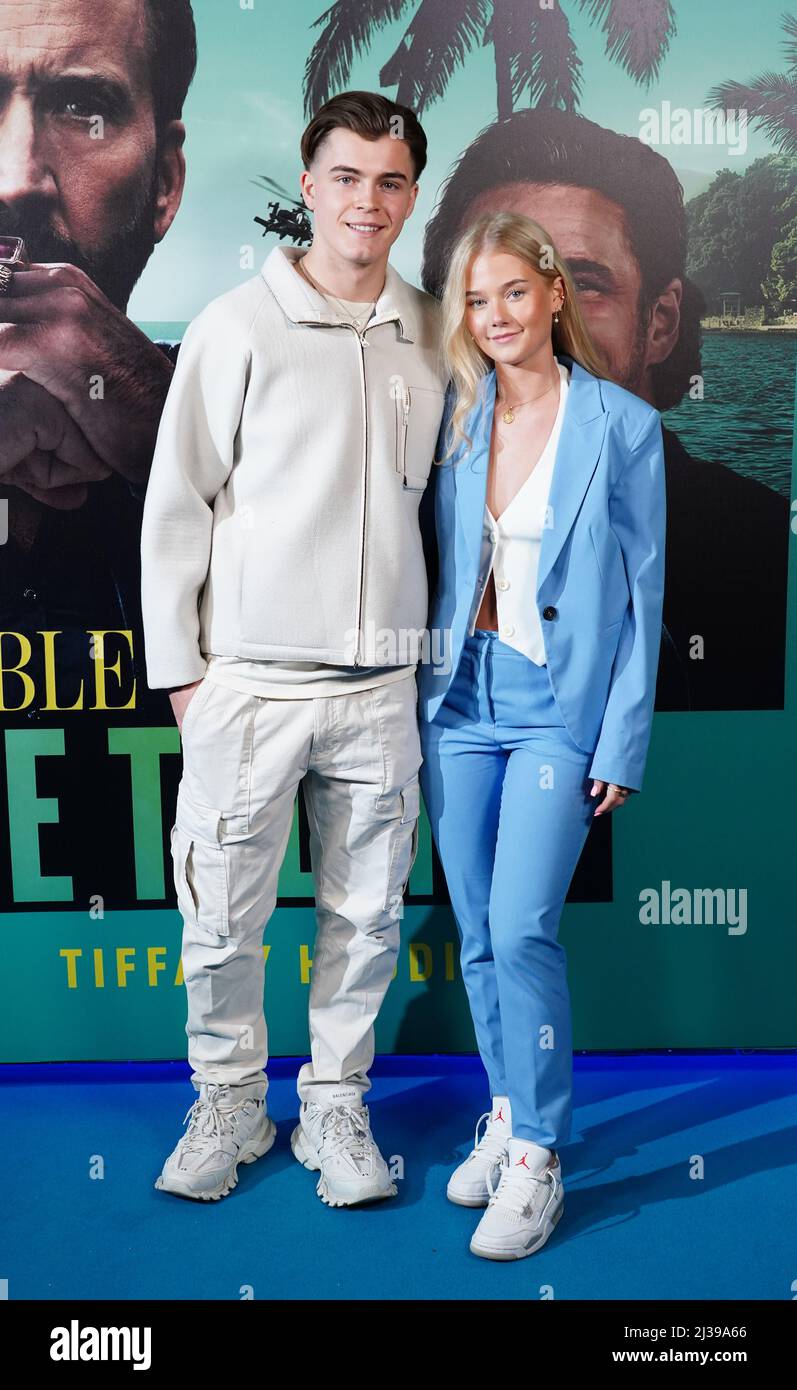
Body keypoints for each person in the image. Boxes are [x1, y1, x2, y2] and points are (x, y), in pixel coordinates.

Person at [140, 91, 448, 1206]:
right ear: (307, 185)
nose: (368, 201)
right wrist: (187, 680)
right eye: (347, 176)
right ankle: (227, 1102)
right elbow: (177, 504)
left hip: (381, 688)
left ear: (412, 194)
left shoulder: (433, 331)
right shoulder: (235, 325)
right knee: (221, 918)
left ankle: (333, 1109)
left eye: (391, 180)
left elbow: (453, 508)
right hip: (249, 686)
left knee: (364, 919)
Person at [416, 210, 666, 1259]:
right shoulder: (454, 418)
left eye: (512, 292)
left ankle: (542, 1154)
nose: (494, 316)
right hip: (454, 704)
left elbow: (643, 594)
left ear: (552, 292)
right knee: (474, 930)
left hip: (554, 709)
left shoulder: (618, 425)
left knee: (522, 927)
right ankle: (509, 1111)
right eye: (475, 300)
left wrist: (620, 742)